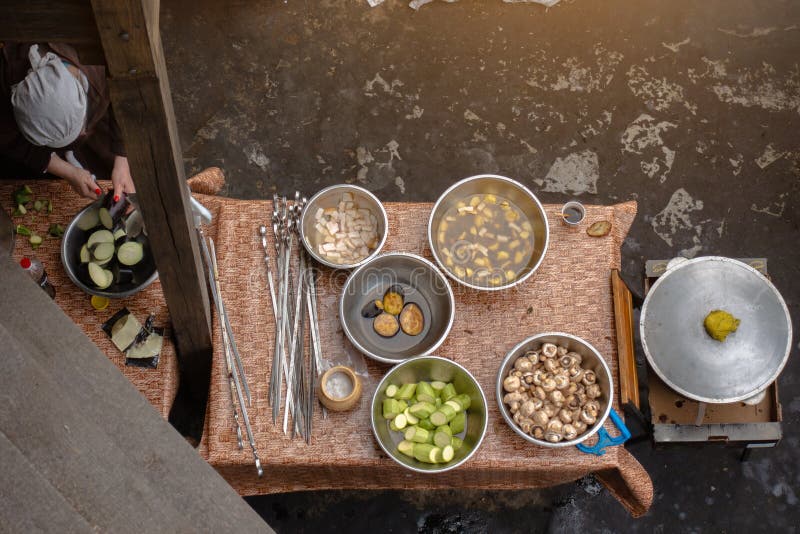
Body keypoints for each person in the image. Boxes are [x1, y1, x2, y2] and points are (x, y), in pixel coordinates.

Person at [0, 42, 135, 200]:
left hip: (100, 111)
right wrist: (67, 171)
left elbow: (126, 99)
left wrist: (122, 160)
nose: (84, 133)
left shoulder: (102, 59)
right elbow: (11, 142)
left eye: (80, 129)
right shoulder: (3, 94)